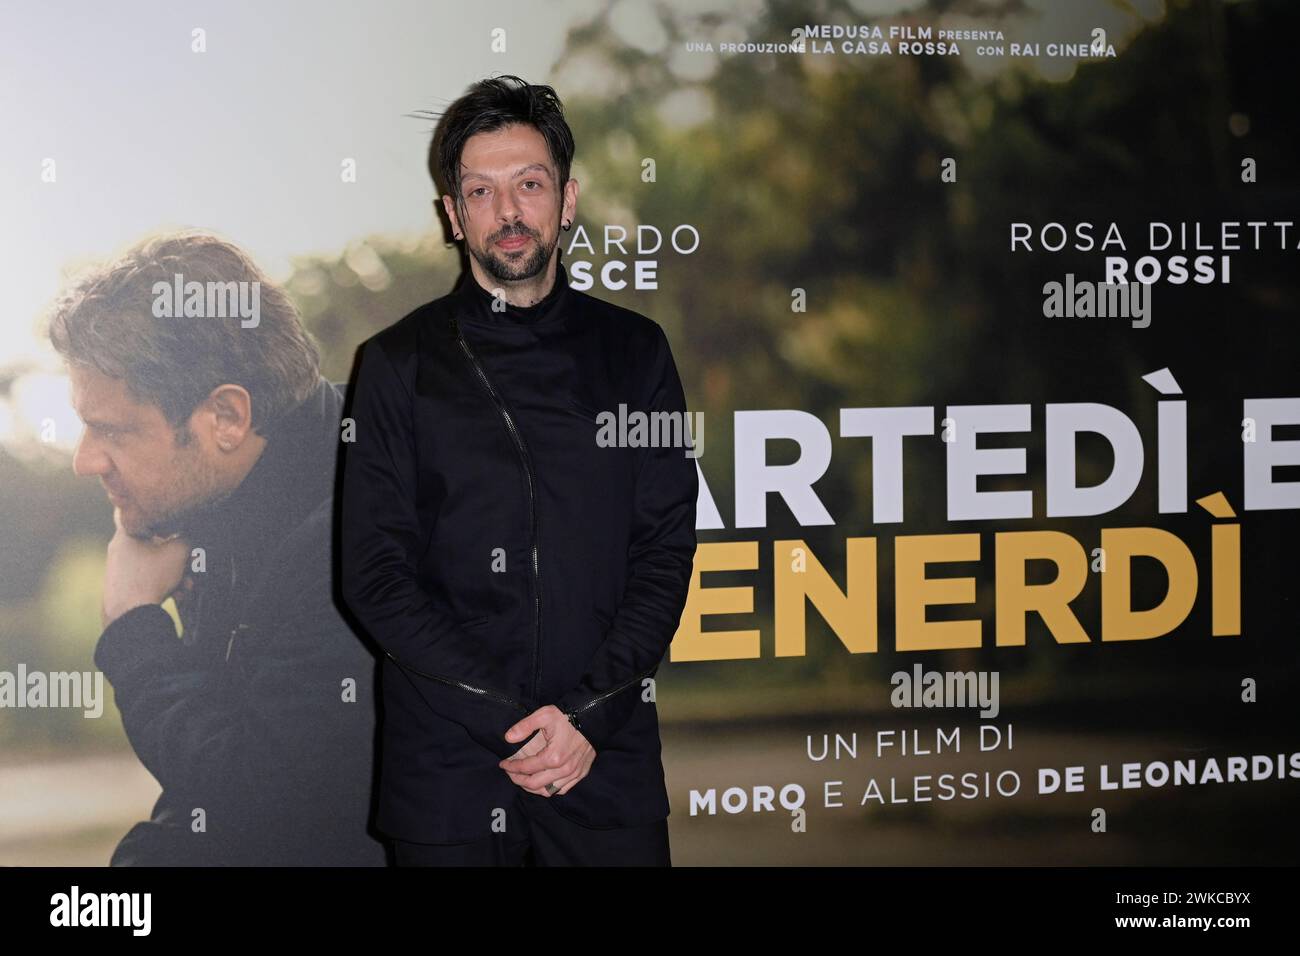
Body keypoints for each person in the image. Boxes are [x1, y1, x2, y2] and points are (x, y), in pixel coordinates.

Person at [339, 75, 698, 866]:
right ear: (452, 214)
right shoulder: (395, 365)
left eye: (529, 184)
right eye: (481, 190)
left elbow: (665, 552)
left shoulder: (636, 354)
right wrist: (517, 722)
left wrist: (583, 720)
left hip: (603, 763)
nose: (508, 212)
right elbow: (373, 575)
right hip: (447, 778)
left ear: (566, 201)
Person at [46, 231, 387, 866]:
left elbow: (271, 813)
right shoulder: (230, 498)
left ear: (226, 417)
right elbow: (209, 814)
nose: (84, 461)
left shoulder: (361, 544)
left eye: (112, 431)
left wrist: (135, 630)